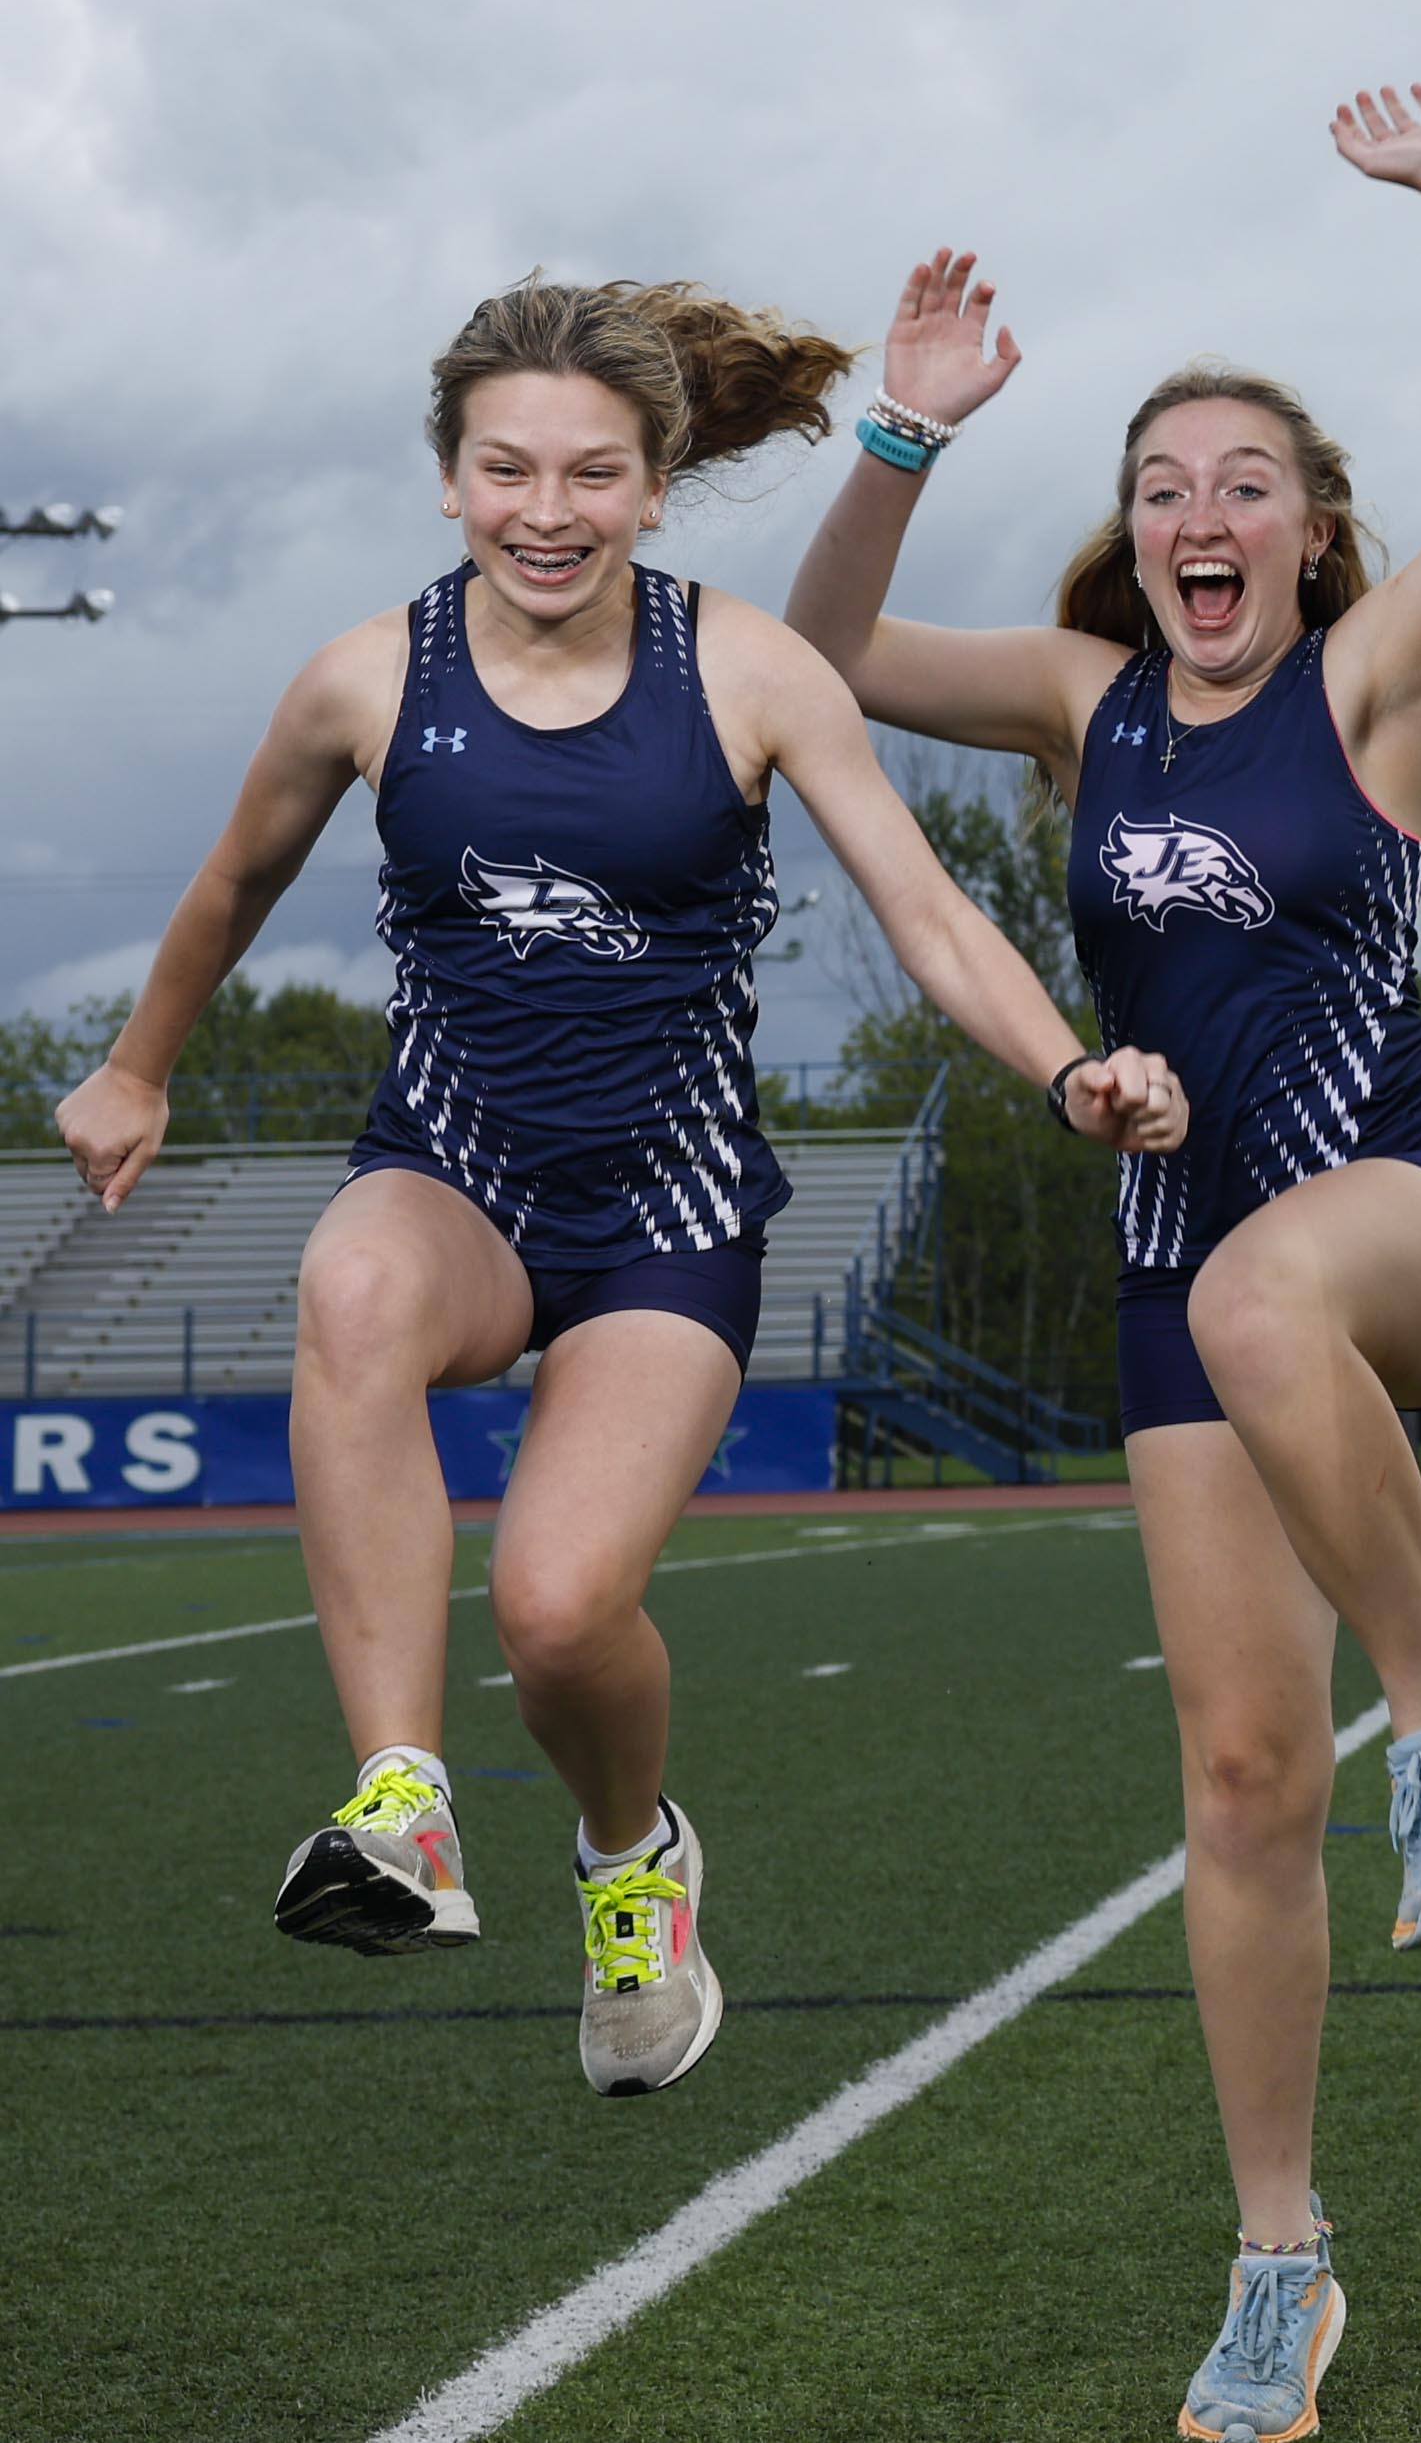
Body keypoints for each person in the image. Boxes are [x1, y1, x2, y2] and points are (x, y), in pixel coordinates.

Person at [51, 282, 1184, 2103]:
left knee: (563, 1612)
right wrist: (138, 1064)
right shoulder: (365, 676)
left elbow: (924, 909)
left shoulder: (743, 668)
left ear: (658, 483)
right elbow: (229, 884)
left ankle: (630, 1860)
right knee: (347, 1291)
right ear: (449, 480)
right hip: (457, 1174)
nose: (548, 509)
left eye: (593, 472)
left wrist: (1066, 1067)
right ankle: (404, 1804)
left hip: (665, 1211)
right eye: (507, 469)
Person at [779, 86, 1421, 2443]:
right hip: (1172, 1265)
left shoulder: (1370, 689)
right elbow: (813, 654)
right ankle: (1279, 2264)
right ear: (1129, 549)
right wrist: (901, 431)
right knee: (1242, 1775)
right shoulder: (1086, 707)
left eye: (1244, 485)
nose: (1198, 518)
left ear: (1316, 537)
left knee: (1267, 1291)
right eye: (1162, 491)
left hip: (1406, 1211)